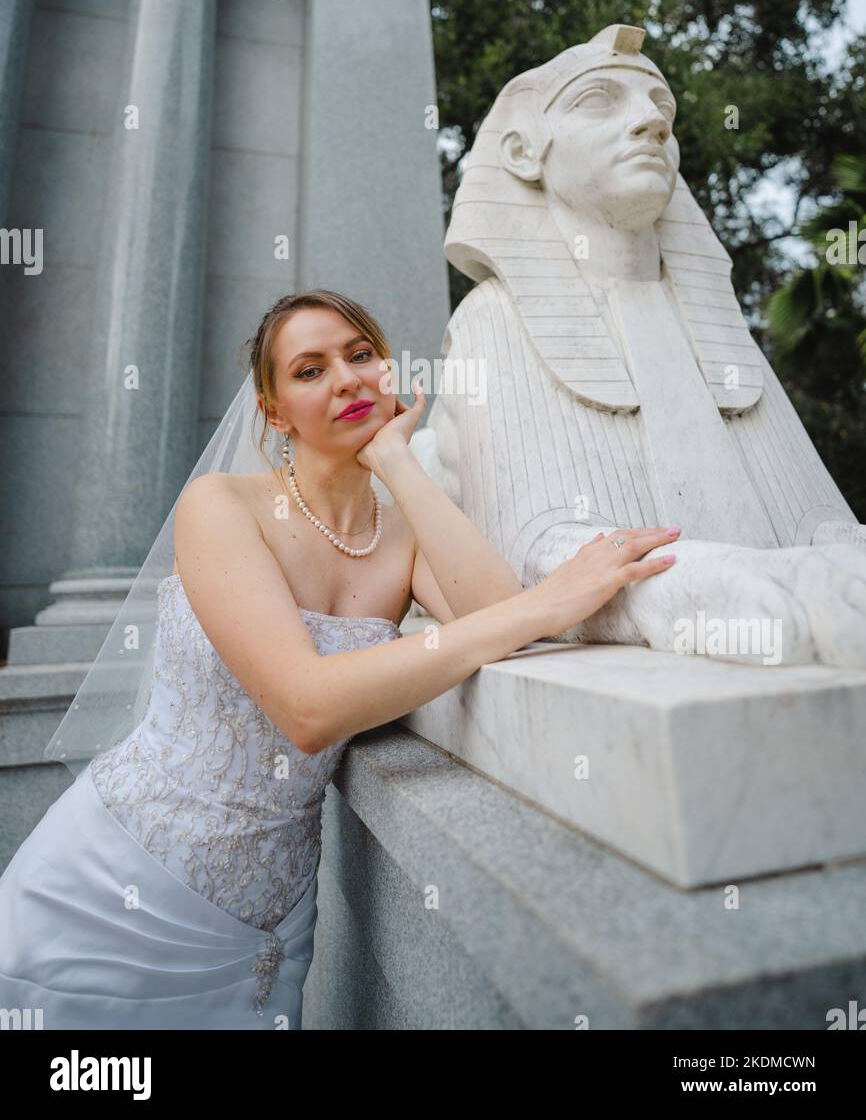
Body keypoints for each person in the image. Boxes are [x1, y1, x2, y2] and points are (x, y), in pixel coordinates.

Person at [0, 289, 678, 1030]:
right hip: (117, 883)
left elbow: (494, 619)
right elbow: (307, 708)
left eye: (360, 356)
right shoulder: (220, 505)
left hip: (272, 914)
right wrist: (548, 600)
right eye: (311, 369)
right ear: (273, 409)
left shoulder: (403, 531)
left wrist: (400, 460)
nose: (349, 379)